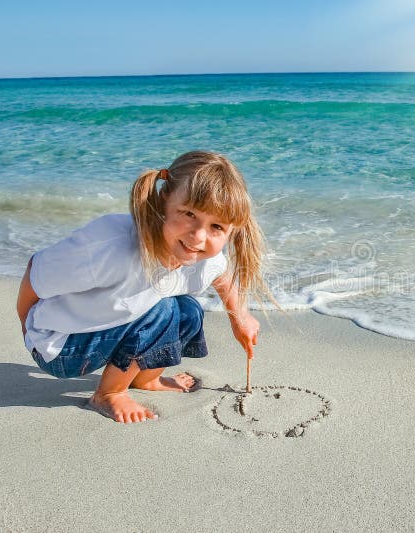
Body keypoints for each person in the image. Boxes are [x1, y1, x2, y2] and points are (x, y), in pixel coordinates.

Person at [16, 151, 271, 423]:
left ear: (232, 231)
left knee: (188, 311)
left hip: (109, 328)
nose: (198, 236)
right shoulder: (112, 245)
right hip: (62, 346)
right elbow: (37, 272)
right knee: (163, 310)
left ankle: (145, 379)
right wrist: (29, 329)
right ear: (163, 202)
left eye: (216, 226)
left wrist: (240, 317)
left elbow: (222, 276)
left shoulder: (201, 257)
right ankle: (109, 394)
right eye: (188, 214)